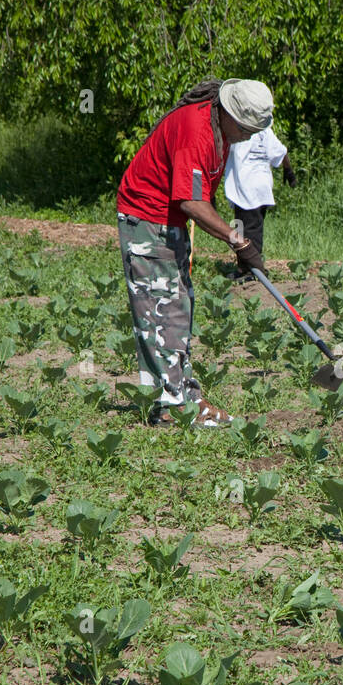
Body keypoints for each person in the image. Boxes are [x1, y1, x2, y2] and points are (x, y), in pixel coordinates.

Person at [115, 77, 273, 427]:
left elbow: (201, 192)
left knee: (180, 304)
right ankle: (170, 406)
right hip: (146, 216)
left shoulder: (220, 131)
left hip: (171, 221)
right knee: (160, 308)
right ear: (230, 113)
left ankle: (185, 393)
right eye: (246, 127)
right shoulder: (196, 131)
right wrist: (239, 241)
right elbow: (191, 201)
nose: (249, 134)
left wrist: (233, 238)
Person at [223, 125, 296, 281]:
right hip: (261, 186)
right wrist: (288, 170)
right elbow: (281, 152)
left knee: (247, 229)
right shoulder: (264, 131)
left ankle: (251, 271)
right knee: (250, 227)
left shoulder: (236, 130)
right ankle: (246, 268)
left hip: (246, 186)